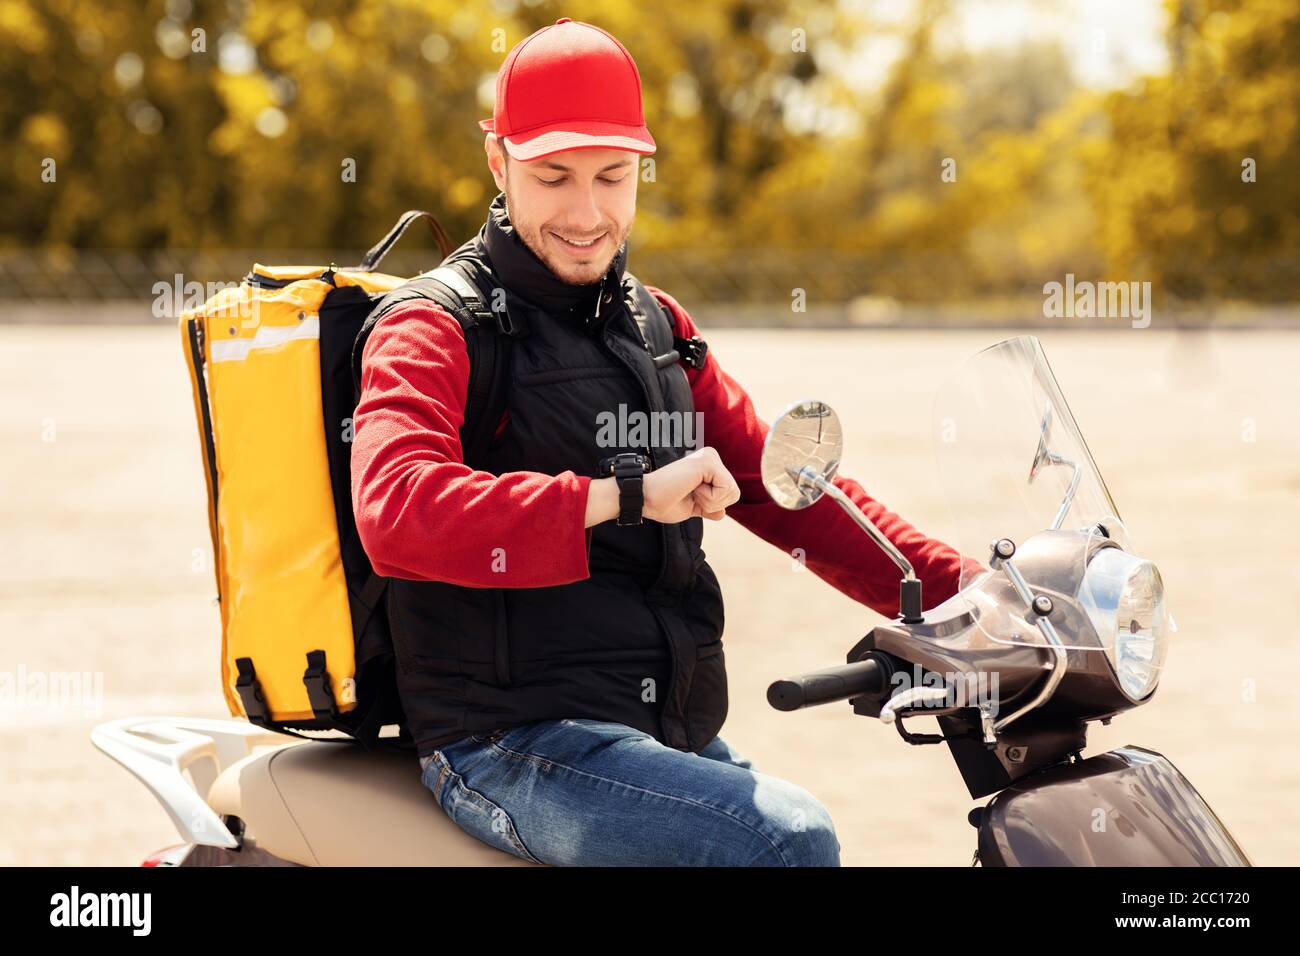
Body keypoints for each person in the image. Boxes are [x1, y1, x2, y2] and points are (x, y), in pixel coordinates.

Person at [351, 17, 972, 866]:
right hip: (502, 740)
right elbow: (398, 511)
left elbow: (786, 489)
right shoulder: (433, 325)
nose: (585, 211)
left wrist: (972, 594)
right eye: (552, 176)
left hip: (651, 731)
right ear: (497, 163)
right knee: (788, 843)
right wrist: (623, 497)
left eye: (612, 176)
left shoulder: (654, 324)